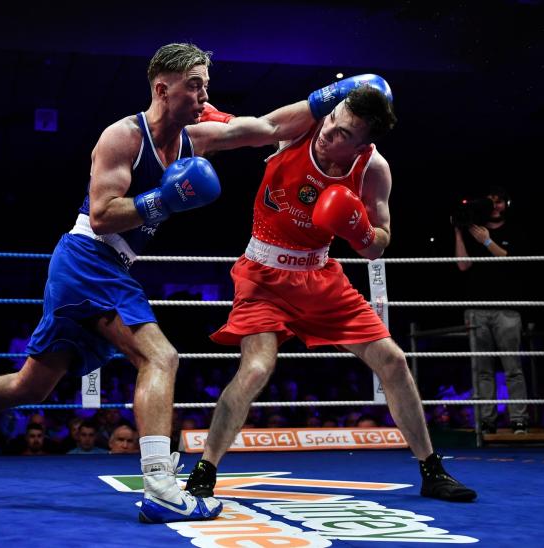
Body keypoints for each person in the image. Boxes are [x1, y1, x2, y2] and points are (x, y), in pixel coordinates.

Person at [0, 42, 356, 523]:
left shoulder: (195, 138)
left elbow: (268, 128)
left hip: (104, 266)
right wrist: (165, 199)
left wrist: (335, 94)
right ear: (162, 88)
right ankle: (159, 486)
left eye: (206, 86)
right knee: (160, 356)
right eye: (194, 85)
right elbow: (102, 214)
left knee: (32, 385)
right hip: (88, 257)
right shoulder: (122, 137)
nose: (203, 96)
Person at [184, 76, 477, 503]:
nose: (328, 133)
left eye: (343, 133)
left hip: (321, 278)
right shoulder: (303, 126)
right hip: (262, 274)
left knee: (393, 360)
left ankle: (432, 471)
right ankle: (205, 469)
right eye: (333, 120)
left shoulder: (372, 168)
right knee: (256, 369)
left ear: (361, 146)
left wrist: (358, 229)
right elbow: (251, 129)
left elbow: (380, 243)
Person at [454, 186, 528, 434]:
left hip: (507, 309)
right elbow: (463, 266)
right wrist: (459, 231)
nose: (496, 206)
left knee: (512, 367)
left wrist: (486, 241)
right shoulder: (473, 229)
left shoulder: (515, 229)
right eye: (491, 202)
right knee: (482, 369)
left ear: (507, 204)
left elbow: (511, 261)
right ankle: (487, 420)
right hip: (477, 308)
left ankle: (519, 419)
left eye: (500, 202)